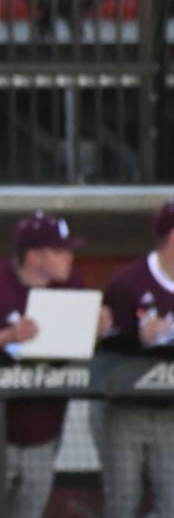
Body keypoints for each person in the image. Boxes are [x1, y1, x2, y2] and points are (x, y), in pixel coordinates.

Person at [0, 211, 110, 518]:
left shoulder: (71, 284)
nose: (69, 256)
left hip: (43, 428)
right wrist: (10, 335)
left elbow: (74, 349)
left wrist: (99, 328)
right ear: (36, 255)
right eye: (60, 250)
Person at [99, 200, 174, 518]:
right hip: (126, 408)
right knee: (122, 502)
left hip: (171, 411)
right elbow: (104, 345)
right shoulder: (127, 282)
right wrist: (139, 337)